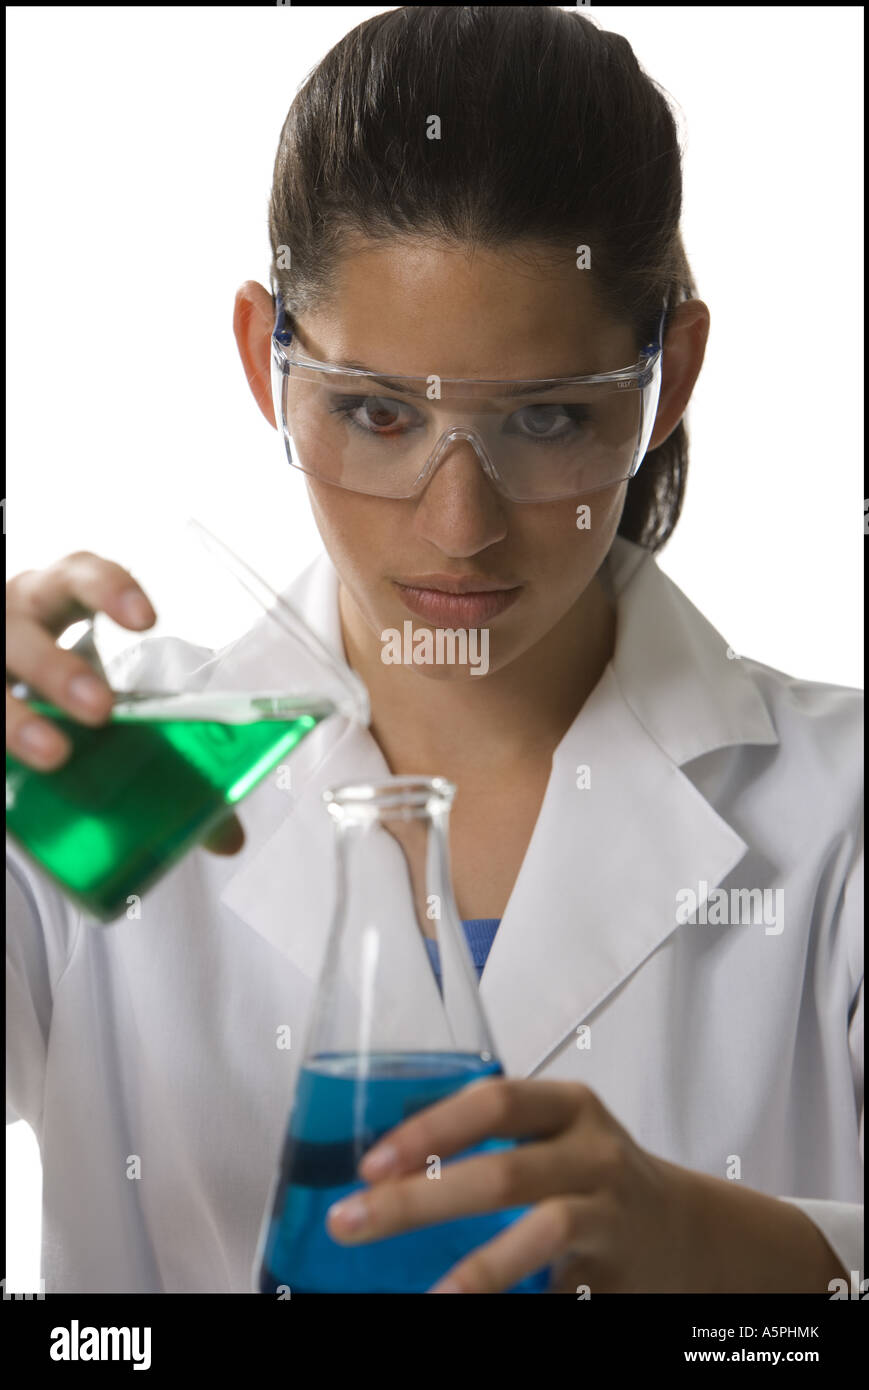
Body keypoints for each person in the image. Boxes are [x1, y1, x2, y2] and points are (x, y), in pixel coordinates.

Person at [6, 6, 862, 1294]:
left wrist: (740, 1258)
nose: (458, 528)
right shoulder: (85, 774)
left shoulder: (842, 812)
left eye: (550, 417)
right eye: (374, 411)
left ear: (667, 380)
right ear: (264, 359)